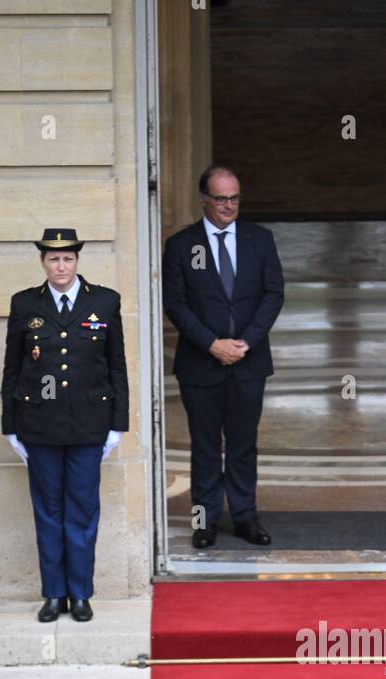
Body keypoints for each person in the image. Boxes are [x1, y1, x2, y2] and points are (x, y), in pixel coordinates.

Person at [1, 228, 129, 623]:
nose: (61, 266)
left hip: (90, 424)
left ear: (77, 261)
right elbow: (13, 367)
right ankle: (53, 594)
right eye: (54, 259)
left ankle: (80, 593)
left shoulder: (104, 302)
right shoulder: (25, 304)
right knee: (48, 512)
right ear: (43, 262)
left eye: (68, 258)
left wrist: (118, 425)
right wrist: (10, 425)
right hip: (39, 424)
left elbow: (116, 366)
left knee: (82, 510)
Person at [162, 164, 284, 549]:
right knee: (205, 446)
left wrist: (245, 341)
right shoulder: (181, 246)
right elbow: (175, 303)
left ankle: (246, 518)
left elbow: (273, 294)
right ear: (204, 199)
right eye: (221, 199)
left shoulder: (259, 240)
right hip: (200, 363)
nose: (229, 206)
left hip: (249, 361)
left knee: (244, 444)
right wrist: (211, 343)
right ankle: (206, 520)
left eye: (234, 198)